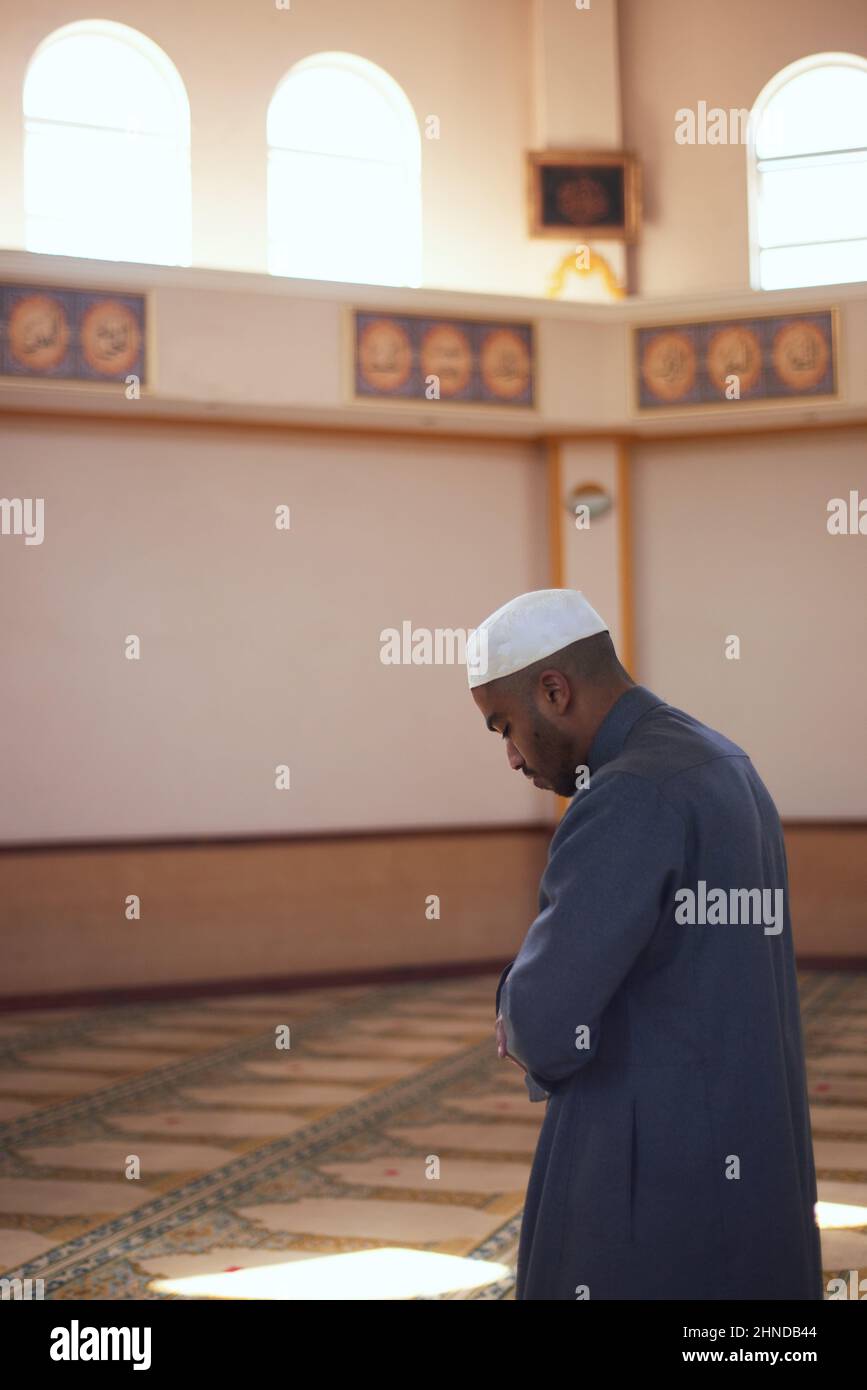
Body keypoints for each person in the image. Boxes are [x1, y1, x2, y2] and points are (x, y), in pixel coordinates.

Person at [467, 588, 823, 1301]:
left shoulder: (627, 794)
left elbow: (542, 1021)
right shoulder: (722, 762)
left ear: (554, 690)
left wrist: (511, 1000)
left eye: (504, 725)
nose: (510, 756)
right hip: (751, 1146)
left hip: (647, 1177)